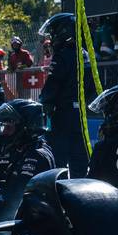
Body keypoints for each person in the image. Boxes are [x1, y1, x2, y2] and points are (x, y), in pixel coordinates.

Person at [37, 12, 97, 177]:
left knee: (58, 162)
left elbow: (53, 84)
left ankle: (58, 194)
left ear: (63, 32)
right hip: (80, 114)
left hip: (62, 114)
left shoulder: (63, 55)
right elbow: (91, 86)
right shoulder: (84, 53)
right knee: (79, 161)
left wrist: (44, 101)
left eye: (54, 32)